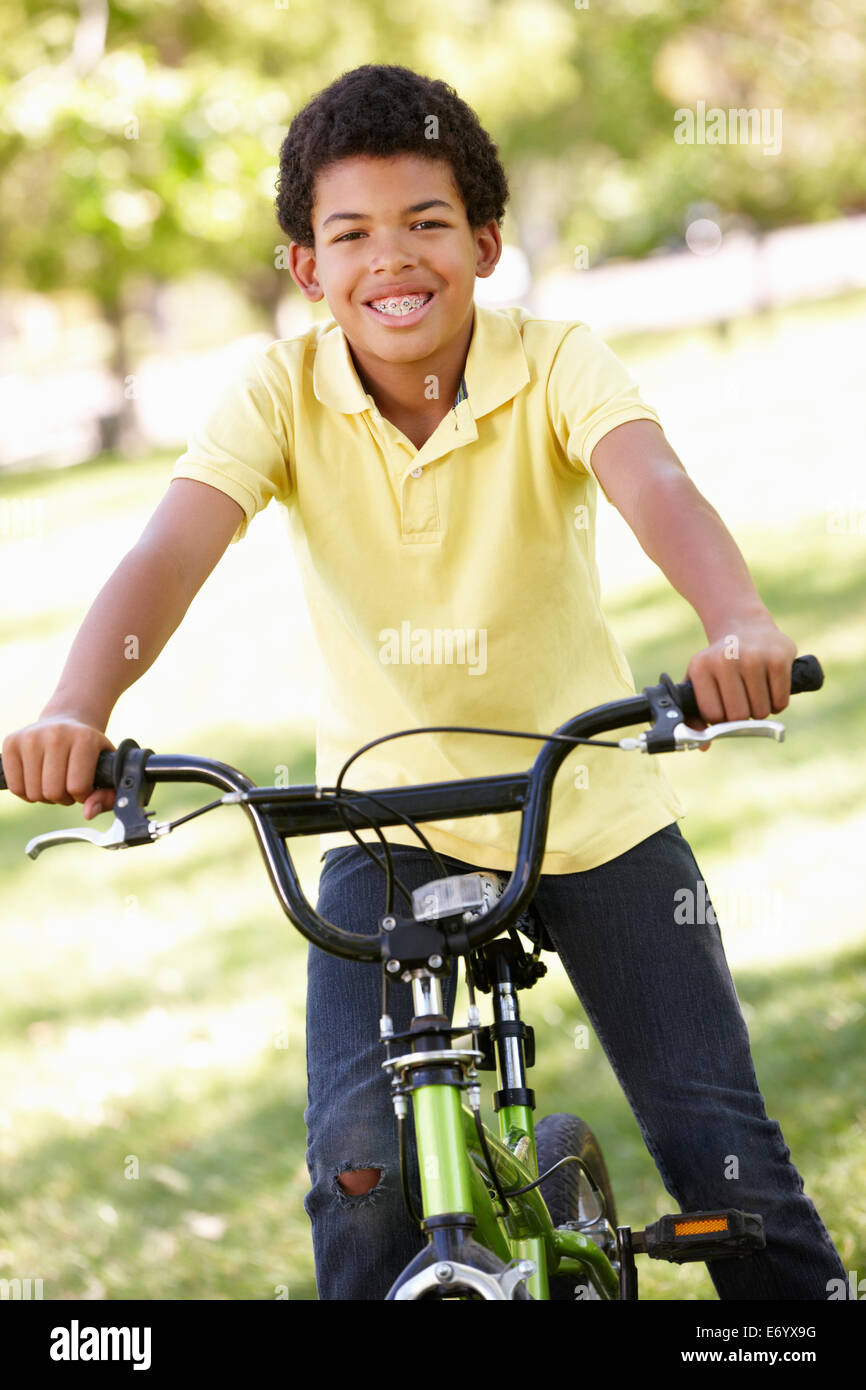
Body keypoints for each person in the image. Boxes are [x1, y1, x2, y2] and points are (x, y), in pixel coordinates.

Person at [2, 64, 845, 1302]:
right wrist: (79, 706)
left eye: (426, 224)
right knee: (355, 1171)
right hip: (378, 822)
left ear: (485, 242)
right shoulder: (275, 394)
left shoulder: (555, 362)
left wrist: (736, 625)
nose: (390, 260)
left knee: (721, 1158)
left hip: (589, 809)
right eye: (350, 233)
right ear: (306, 268)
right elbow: (167, 550)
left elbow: (654, 483)